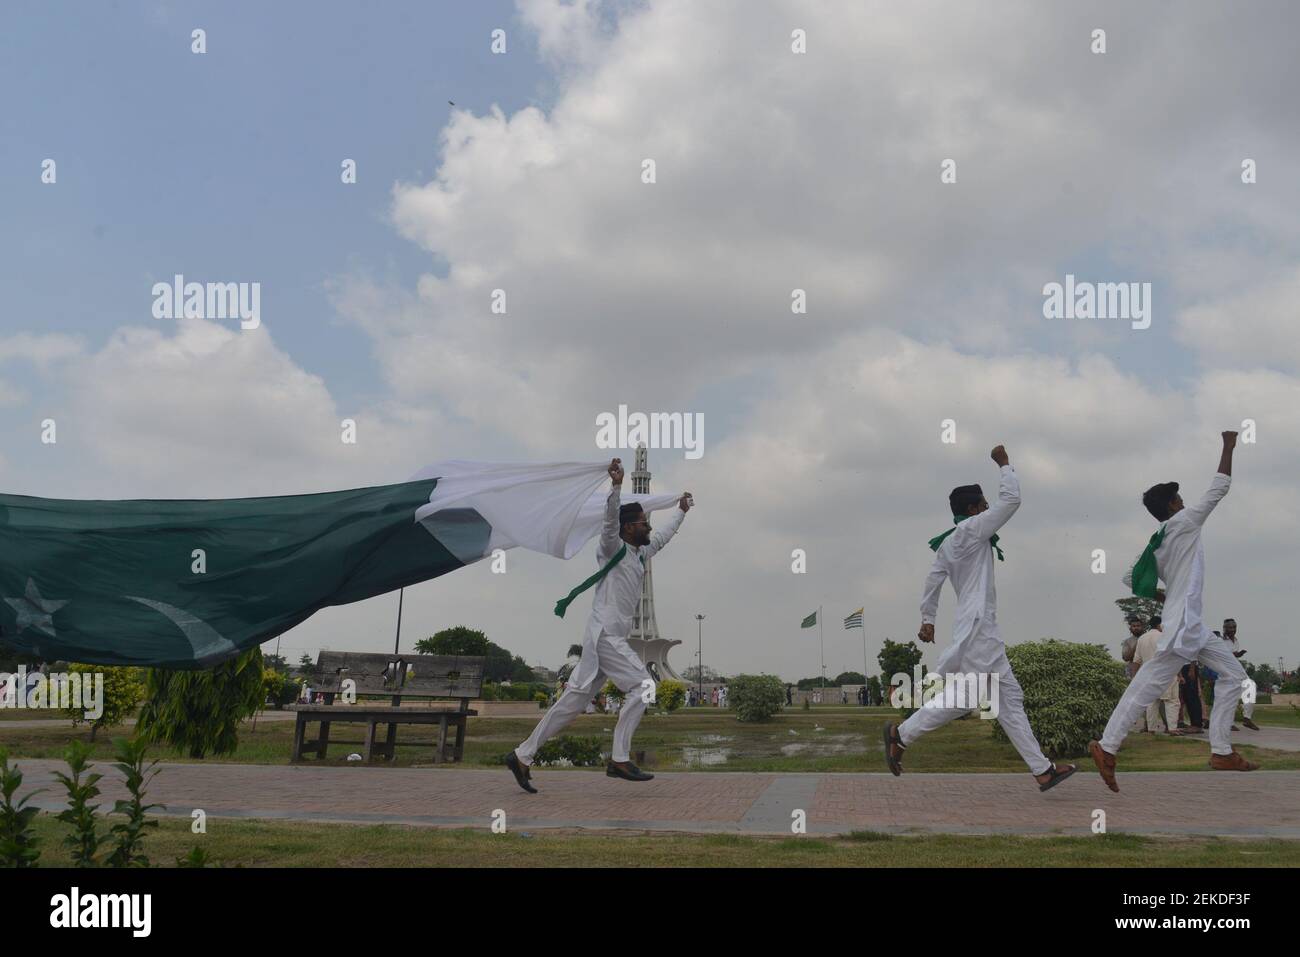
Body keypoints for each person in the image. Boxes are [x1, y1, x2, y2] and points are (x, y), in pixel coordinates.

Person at [883, 444, 1076, 792]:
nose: (989, 507)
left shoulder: (949, 542)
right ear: (973, 509)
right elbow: (1012, 501)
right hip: (979, 628)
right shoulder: (973, 528)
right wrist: (1004, 465)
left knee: (1009, 699)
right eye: (984, 503)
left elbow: (933, 580)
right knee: (968, 699)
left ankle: (1043, 770)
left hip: (976, 626)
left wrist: (928, 618)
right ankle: (902, 734)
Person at [506, 458, 692, 792]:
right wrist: (617, 487)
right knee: (644, 687)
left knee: (571, 703)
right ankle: (619, 759)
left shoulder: (639, 554)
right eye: (641, 523)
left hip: (605, 638)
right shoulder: (611, 547)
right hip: (606, 636)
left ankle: (522, 755)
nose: (648, 526)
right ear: (626, 528)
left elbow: (662, 538)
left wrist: (680, 511)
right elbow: (609, 523)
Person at [1089, 432, 1257, 790]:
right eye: (1180, 499)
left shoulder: (1158, 542)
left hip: (1190, 625)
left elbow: (1127, 576)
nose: (1184, 502)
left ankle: (1222, 750)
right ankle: (1107, 746)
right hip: (1184, 626)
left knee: (1234, 675)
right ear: (1172, 506)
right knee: (1149, 683)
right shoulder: (1185, 522)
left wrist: (1167, 592)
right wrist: (1228, 446)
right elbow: (1220, 487)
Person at [1134, 617, 1180, 734]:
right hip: (1166, 673)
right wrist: (1179, 674)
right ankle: (1172, 728)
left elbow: (1137, 660)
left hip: (1148, 675)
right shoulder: (1164, 637)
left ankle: (1151, 729)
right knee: (1171, 701)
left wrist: (1136, 677)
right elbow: (1172, 657)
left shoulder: (1142, 639)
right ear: (1160, 625)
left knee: (1151, 703)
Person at [1223, 619, 1260, 730]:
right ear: (1224, 628)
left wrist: (1239, 654)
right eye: (1230, 627)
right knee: (1231, 697)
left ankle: (1247, 718)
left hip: (1237, 669)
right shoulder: (1221, 640)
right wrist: (1237, 654)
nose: (1233, 630)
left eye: (1234, 627)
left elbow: (1233, 655)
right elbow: (1226, 655)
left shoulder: (1235, 640)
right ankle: (1228, 723)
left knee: (1251, 687)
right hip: (1227, 671)